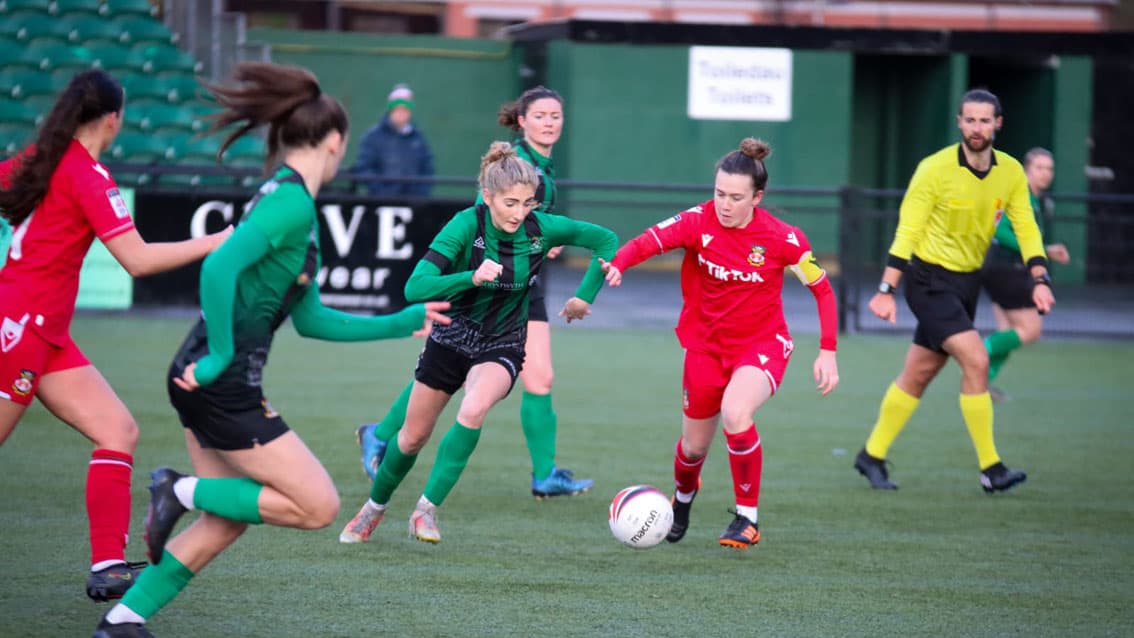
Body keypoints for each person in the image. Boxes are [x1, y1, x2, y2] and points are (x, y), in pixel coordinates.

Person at [90, 63, 450, 638]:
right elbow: (219, 265)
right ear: (334, 142)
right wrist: (218, 358)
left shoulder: (290, 201)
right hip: (220, 382)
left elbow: (311, 320)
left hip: (203, 377)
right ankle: (176, 488)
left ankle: (123, 619)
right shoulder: (291, 203)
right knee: (317, 505)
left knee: (226, 518)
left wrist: (399, 322)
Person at [0, 69, 230, 603]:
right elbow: (138, 260)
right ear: (113, 118)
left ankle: (107, 566)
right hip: (23, 328)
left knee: (118, 430)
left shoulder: (42, 157)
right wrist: (217, 240)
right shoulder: (89, 175)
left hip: (42, 330)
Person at [339, 140, 619, 545]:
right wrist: (469, 278)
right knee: (412, 437)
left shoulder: (542, 229)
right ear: (487, 197)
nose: (519, 213)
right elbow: (415, 286)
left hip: (503, 343)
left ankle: (425, 511)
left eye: (528, 203)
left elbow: (606, 240)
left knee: (472, 409)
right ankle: (373, 509)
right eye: (510, 203)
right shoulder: (465, 225)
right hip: (451, 337)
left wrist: (583, 297)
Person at [356, 86, 596, 499]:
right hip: (489, 285)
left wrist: (545, 242)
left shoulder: (542, 165)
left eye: (555, 116)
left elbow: (535, 228)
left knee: (539, 376)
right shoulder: (515, 165)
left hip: (522, 282)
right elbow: (482, 219)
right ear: (522, 120)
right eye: (540, 116)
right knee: (442, 373)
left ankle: (544, 474)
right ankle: (381, 434)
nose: (549, 122)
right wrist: (476, 273)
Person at [602, 138, 839, 549]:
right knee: (693, 448)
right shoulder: (698, 221)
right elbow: (649, 240)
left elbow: (823, 290)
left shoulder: (784, 238)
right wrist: (619, 263)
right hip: (705, 347)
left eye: (736, 197)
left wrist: (828, 351)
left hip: (762, 344)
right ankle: (682, 501)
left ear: (757, 197)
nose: (725, 205)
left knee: (735, 412)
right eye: (719, 193)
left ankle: (747, 518)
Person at [853, 89, 1055, 493]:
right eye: (970, 120)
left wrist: (1040, 278)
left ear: (997, 124)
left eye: (985, 120)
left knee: (919, 373)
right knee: (977, 359)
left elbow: (1026, 228)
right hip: (927, 280)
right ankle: (991, 469)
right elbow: (907, 231)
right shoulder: (934, 169)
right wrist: (886, 289)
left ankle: (871, 456)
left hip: (967, 282)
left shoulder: (1011, 172)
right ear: (959, 122)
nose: (977, 128)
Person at [981, 147, 1070, 401]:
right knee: (1031, 330)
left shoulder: (1036, 200)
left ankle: (982, 385)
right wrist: (1040, 249)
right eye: (1039, 167)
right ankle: (977, 353)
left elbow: (1028, 238)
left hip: (1002, 269)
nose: (1045, 173)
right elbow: (997, 229)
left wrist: (1046, 250)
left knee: (1009, 331)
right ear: (1026, 170)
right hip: (1005, 269)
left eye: (1049, 168)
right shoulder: (1018, 194)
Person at [350, 83, 434, 197]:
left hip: (414, 203)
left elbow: (427, 169)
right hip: (381, 203)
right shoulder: (372, 137)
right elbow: (364, 168)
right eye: (397, 108)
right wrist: (382, 193)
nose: (401, 112)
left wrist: (419, 195)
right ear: (391, 110)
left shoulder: (419, 138)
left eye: (405, 108)